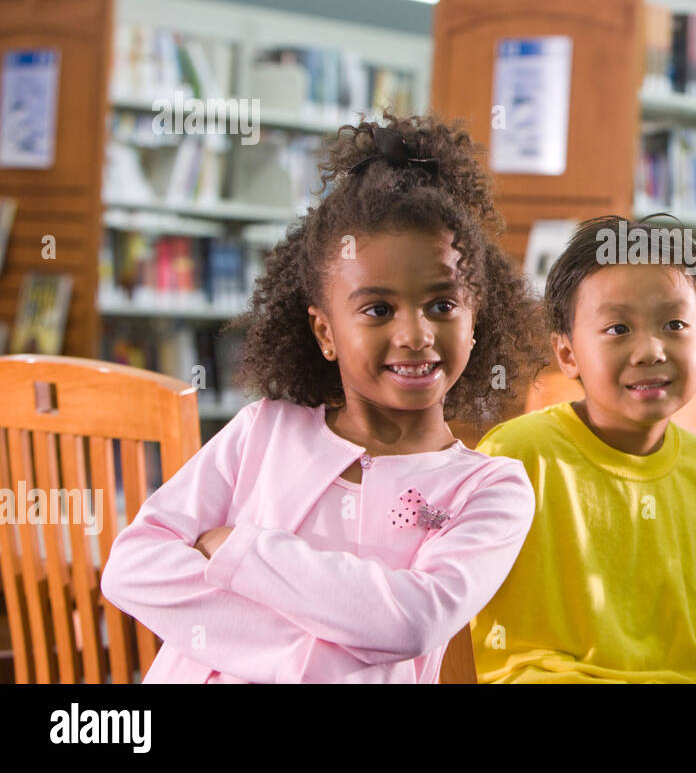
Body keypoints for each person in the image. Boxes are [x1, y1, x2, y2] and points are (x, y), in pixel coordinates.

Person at [101, 114, 548, 683]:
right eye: (378, 310)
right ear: (325, 333)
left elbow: (411, 620)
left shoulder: (490, 490)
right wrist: (315, 656)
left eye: (442, 305)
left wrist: (240, 550)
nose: (415, 334)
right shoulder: (262, 431)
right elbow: (132, 566)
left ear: (476, 318)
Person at [470, 215, 696, 683]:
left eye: (673, 324)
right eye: (617, 329)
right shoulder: (517, 455)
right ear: (567, 354)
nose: (650, 349)